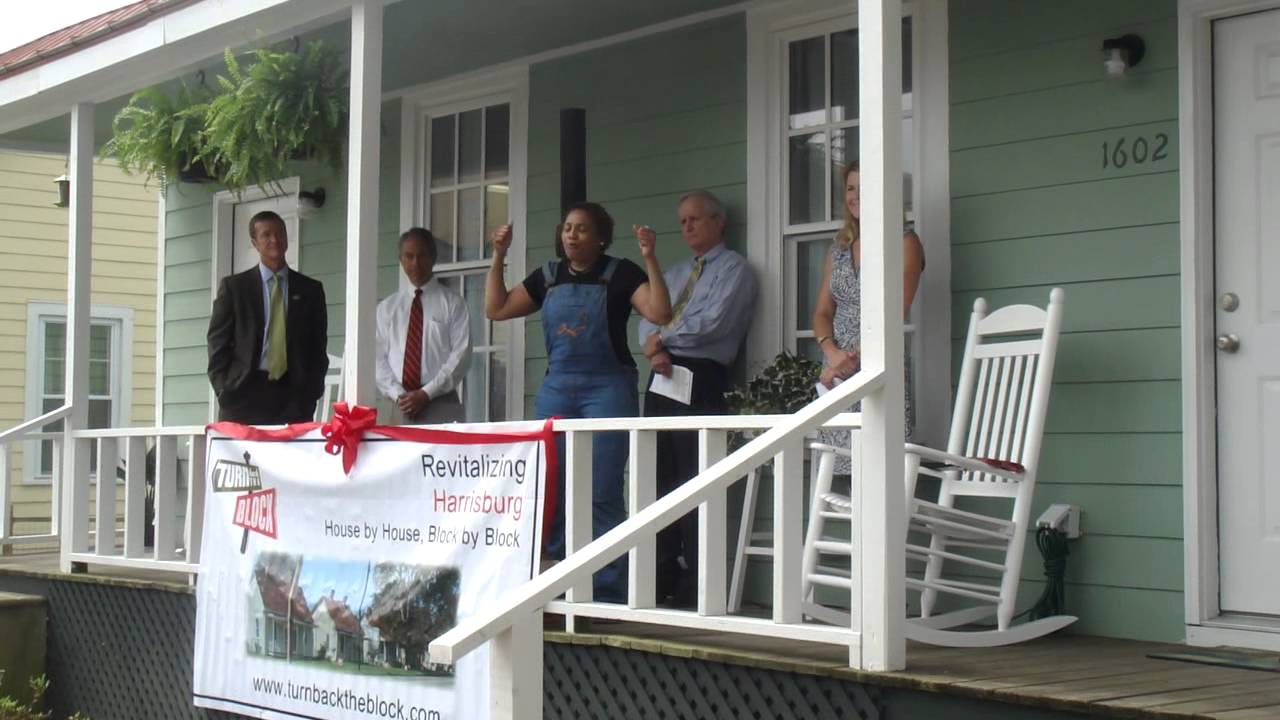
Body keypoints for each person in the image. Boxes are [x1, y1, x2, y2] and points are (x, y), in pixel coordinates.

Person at [485, 202, 672, 603]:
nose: (572, 235)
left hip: (607, 387)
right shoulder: (547, 277)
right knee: (551, 486)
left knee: (601, 490)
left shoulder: (620, 273)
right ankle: (553, 580)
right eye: (568, 228)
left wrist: (650, 258)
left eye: (582, 229)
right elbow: (495, 308)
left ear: (601, 237)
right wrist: (498, 255)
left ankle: (605, 590)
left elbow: (659, 311)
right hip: (558, 388)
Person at [638, 189, 757, 607]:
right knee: (658, 477)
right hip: (660, 378)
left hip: (700, 376)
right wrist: (652, 345)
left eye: (695, 219)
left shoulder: (735, 270)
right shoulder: (673, 272)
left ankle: (698, 582)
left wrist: (660, 341)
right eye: (682, 221)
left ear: (717, 222)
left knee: (693, 476)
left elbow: (711, 323)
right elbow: (649, 315)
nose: (687, 227)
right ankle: (663, 573)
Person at [814, 161, 925, 470]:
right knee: (834, 469)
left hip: (875, 363)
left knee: (877, 466)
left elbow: (897, 309)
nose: (855, 195)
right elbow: (822, 312)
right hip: (835, 369)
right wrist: (832, 353)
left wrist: (854, 359)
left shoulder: (904, 242)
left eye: (864, 188)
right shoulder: (839, 248)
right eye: (851, 188)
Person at [207, 210, 329, 424]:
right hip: (244, 393)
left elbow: (318, 347)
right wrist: (224, 389)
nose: (275, 239)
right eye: (266, 235)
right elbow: (217, 343)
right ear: (255, 242)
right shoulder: (235, 288)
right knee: (243, 459)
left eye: (280, 233)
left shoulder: (310, 290)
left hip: (294, 395)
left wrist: (311, 391)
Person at [375, 228, 471, 424]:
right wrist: (399, 394)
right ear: (401, 260)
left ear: (433, 258)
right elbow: (376, 359)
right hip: (396, 404)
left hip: (440, 401)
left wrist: (426, 393)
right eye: (409, 256)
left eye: (422, 255)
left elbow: (461, 356)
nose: (415, 263)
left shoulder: (453, 303)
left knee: (443, 455)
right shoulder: (387, 308)